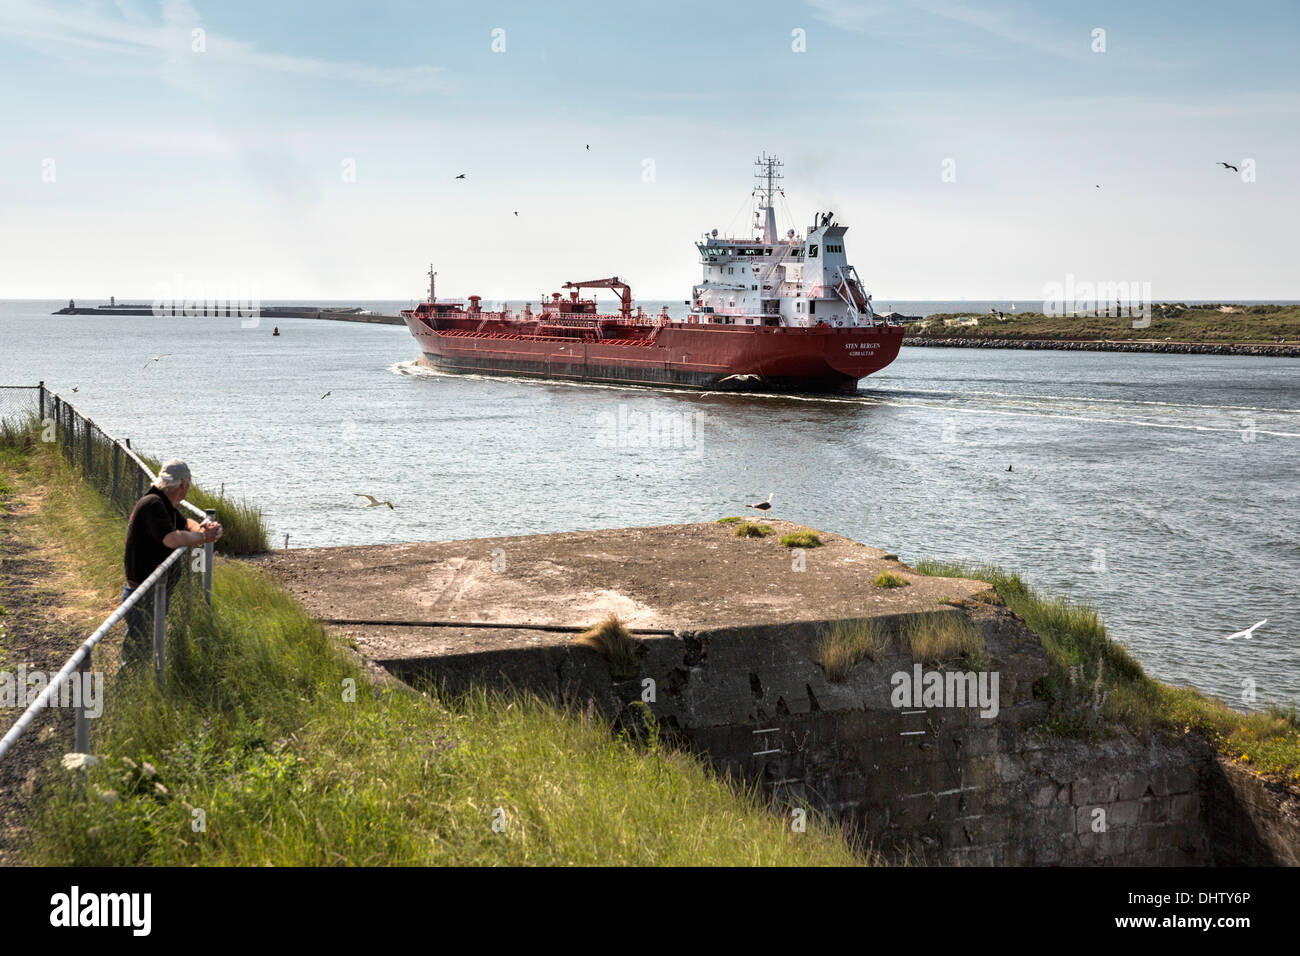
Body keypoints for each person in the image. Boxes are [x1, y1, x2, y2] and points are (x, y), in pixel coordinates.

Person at [121, 460, 222, 666]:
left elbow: (186, 524)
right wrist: (204, 538)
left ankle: (140, 686)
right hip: (144, 593)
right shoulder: (154, 505)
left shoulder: (164, 503)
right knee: (137, 652)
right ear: (184, 484)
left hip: (150, 590)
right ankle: (128, 687)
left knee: (144, 647)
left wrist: (203, 528)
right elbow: (172, 539)